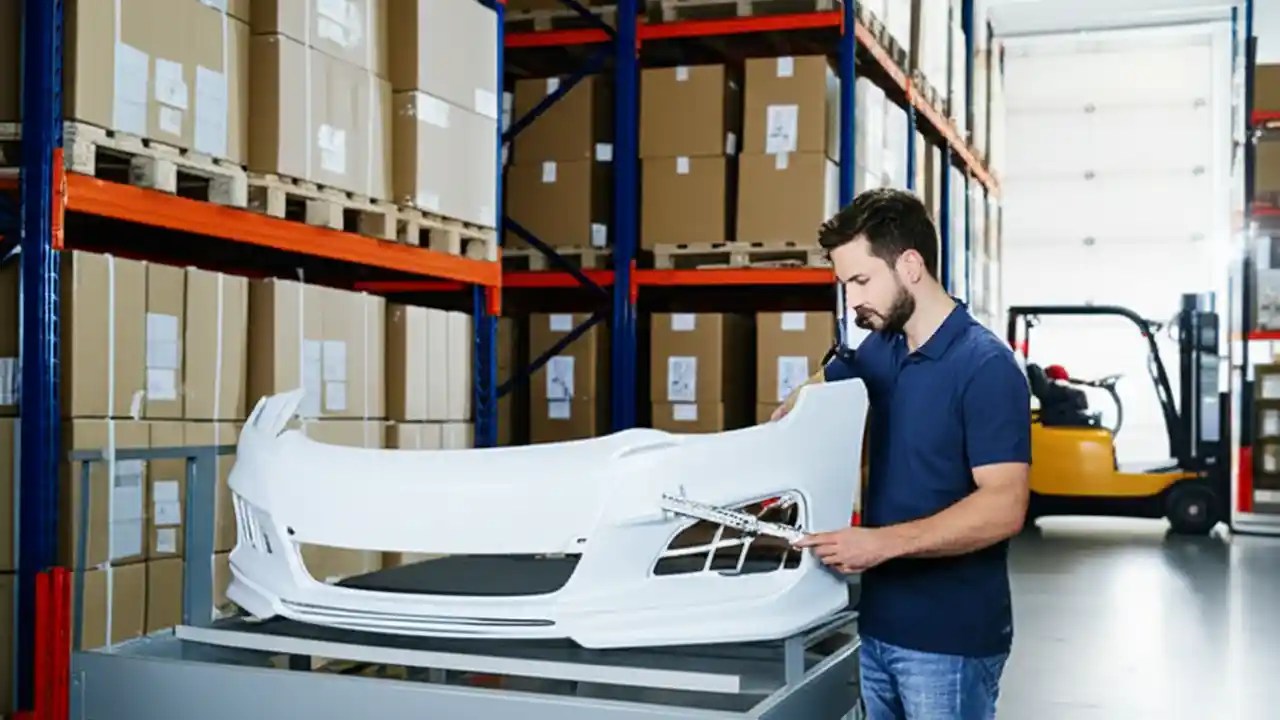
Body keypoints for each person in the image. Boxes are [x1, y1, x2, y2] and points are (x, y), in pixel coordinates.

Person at [773, 188, 1031, 719]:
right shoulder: (881, 350)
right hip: (878, 627)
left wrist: (878, 545)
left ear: (910, 265)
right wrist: (779, 439)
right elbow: (813, 396)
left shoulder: (985, 366)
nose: (853, 300)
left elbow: (1004, 506)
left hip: (949, 642)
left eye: (862, 281)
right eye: (845, 284)